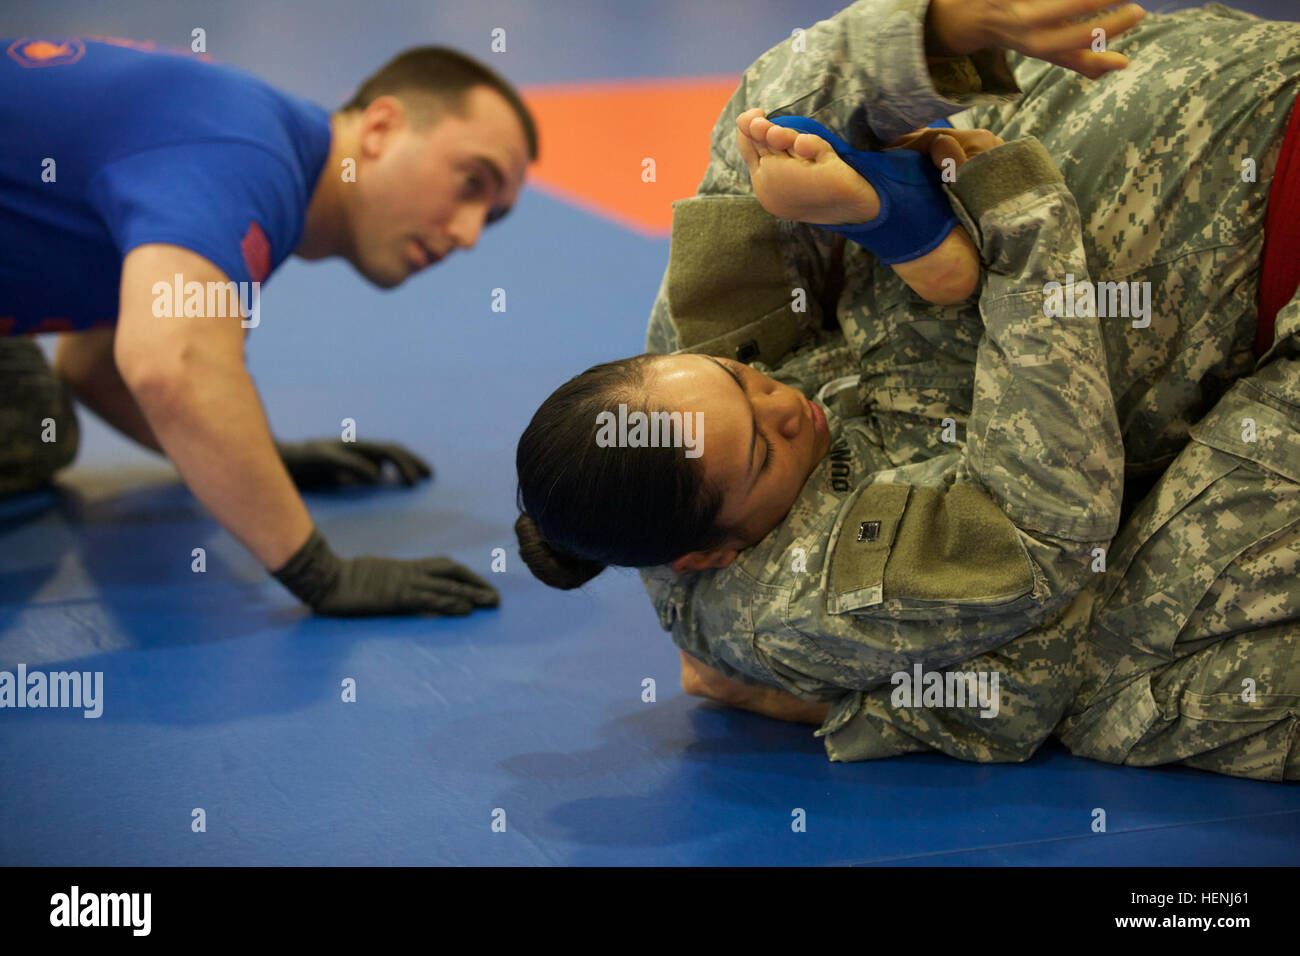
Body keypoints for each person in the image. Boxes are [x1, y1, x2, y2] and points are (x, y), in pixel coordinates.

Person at [515, 0, 1300, 780]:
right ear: (708, 556)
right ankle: (916, 228)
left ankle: (914, 227)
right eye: (765, 450)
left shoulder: (677, 403)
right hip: (1206, 130)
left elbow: (748, 135)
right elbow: (1048, 535)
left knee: (1100, 687)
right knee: (1101, 681)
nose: (787, 406)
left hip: (1185, 110)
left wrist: (937, 30)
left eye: (745, 379)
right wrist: (1020, 219)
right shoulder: (787, 599)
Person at [0, 39, 535, 616]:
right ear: (380, 128)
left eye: (492, 216)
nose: (470, 234)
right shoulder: (247, 154)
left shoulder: (248, 140)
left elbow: (95, 367)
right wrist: (320, 573)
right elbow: (170, 364)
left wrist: (269, 460)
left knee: (31, 426)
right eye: (472, 183)